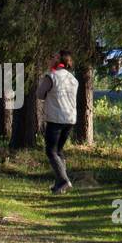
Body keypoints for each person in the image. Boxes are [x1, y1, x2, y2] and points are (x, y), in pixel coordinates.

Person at [37, 50, 79, 194]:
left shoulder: (52, 76)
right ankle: (59, 186)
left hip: (56, 118)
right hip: (70, 118)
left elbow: (39, 94)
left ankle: (63, 180)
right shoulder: (73, 78)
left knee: (50, 151)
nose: (50, 59)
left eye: (52, 57)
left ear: (58, 60)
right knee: (58, 151)